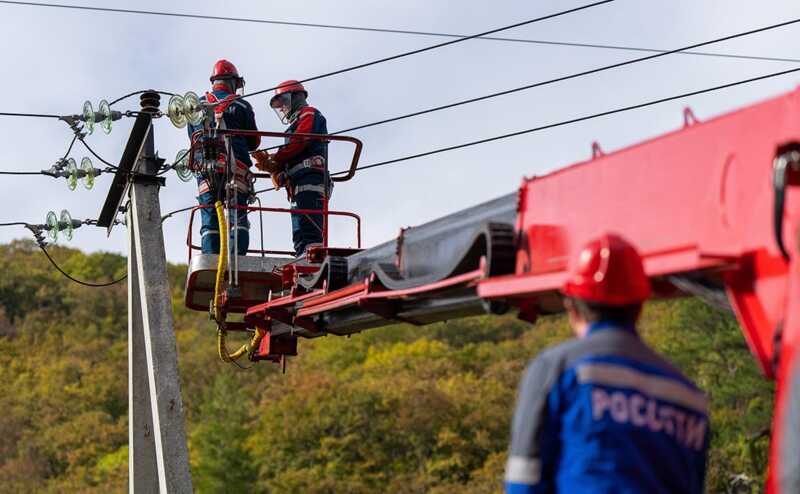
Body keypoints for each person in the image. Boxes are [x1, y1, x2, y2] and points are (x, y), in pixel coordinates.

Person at [504, 233, 709, 494]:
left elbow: (523, 480)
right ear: (639, 306)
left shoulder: (556, 368)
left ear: (572, 306)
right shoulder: (689, 396)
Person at [189, 59, 260, 256]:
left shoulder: (195, 107)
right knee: (238, 216)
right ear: (232, 81)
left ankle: (211, 258)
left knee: (210, 215)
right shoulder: (242, 105)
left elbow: (192, 137)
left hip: (206, 169)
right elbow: (254, 142)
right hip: (236, 169)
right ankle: (238, 257)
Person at [252, 80, 329, 257]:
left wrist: (275, 159)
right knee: (300, 234)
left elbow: (299, 143)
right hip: (298, 185)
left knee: (310, 230)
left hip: (310, 181)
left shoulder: (310, 115)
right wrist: (276, 169)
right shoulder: (293, 126)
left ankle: (312, 261)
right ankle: (304, 258)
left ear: (295, 98)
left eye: (283, 103)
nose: (282, 109)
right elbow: (293, 153)